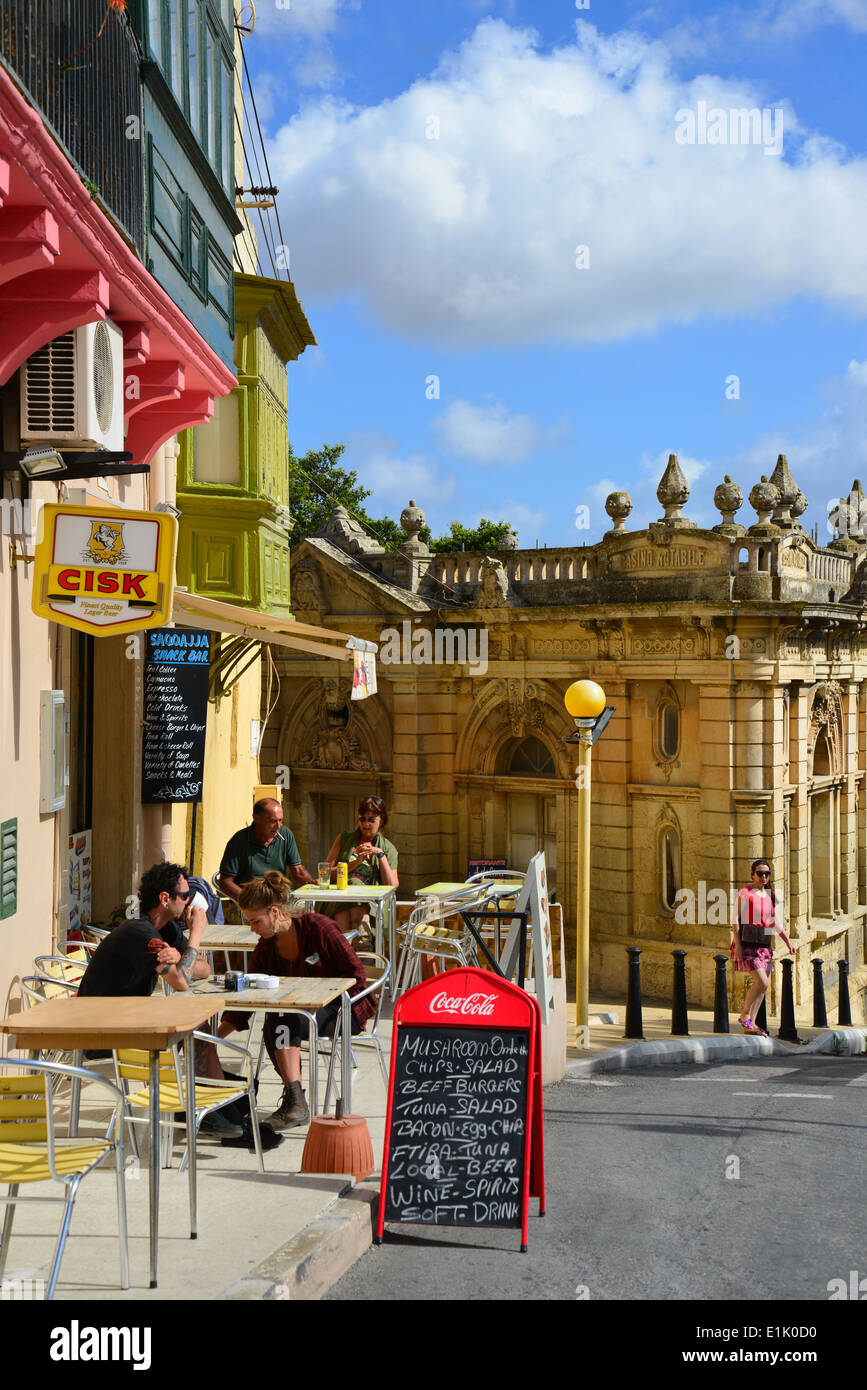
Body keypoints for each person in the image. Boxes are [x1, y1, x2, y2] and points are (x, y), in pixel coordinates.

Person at [218, 871, 377, 1130]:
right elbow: (246, 999)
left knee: (286, 1015)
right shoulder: (266, 947)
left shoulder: (319, 928)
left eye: (255, 921)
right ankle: (296, 1099)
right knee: (279, 1016)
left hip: (343, 1009)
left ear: (275, 913)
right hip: (299, 1015)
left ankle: (295, 1101)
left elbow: (356, 975)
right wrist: (214, 1037)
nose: (252, 928)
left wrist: (320, 997)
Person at [78, 862, 210, 998]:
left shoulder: (167, 927)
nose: (188, 901)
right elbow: (181, 981)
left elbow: (205, 969)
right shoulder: (139, 931)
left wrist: (181, 961)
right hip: (99, 1013)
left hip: (126, 1010)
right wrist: (196, 932)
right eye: (185, 895)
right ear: (165, 899)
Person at [731, 858, 794, 1035]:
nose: (764, 876)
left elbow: (775, 923)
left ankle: (751, 1024)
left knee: (764, 986)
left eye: (767, 873)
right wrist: (737, 944)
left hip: (764, 944)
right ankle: (744, 1015)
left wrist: (788, 942)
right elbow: (734, 920)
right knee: (762, 981)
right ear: (752, 874)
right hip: (747, 942)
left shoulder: (770, 896)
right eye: (760, 873)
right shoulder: (745, 892)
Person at [322, 796, 398, 940]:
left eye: (371, 820)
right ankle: (361, 938)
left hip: (371, 907)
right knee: (352, 884)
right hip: (339, 900)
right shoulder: (344, 839)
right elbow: (325, 874)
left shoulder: (387, 848)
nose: (366, 824)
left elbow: (392, 885)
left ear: (381, 821)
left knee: (356, 890)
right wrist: (355, 863)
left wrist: (380, 855)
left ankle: (346, 943)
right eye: (362, 819)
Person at [218, 798, 314, 901]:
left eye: (280, 820)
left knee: (308, 912)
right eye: (273, 821)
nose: (278, 826)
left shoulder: (286, 834)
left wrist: (313, 884)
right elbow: (225, 883)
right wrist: (250, 901)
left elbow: (298, 871)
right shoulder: (239, 840)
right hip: (248, 903)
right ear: (256, 818)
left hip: (279, 900)